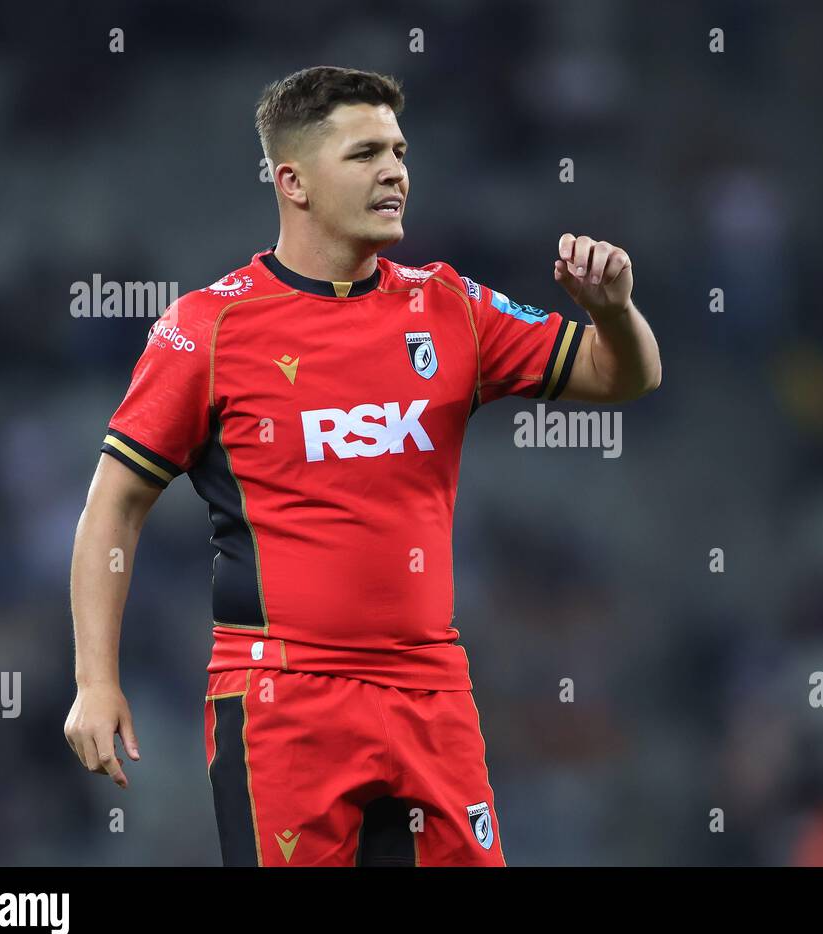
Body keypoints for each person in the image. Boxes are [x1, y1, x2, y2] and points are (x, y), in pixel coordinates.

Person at [64, 65, 661, 866]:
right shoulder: (207, 329)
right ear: (294, 181)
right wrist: (95, 681)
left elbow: (628, 375)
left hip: (432, 696)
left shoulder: (449, 307)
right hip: (284, 698)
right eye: (366, 153)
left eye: (401, 151)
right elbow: (115, 504)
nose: (395, 171)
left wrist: (614, 312)